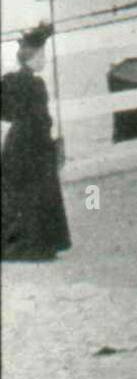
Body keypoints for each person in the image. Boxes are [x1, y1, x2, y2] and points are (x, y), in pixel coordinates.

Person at [1, 23, 71, 261]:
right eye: (42, 55)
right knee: (39, 191)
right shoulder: (36, 84)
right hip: (34, 143)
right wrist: (52, 145)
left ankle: (13, 245)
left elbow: (6, 114)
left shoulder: (9, 81)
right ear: (33, 57)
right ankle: (38, 245)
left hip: (15, 143)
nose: (44, 60)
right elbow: (42, 119)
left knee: (16, 193)